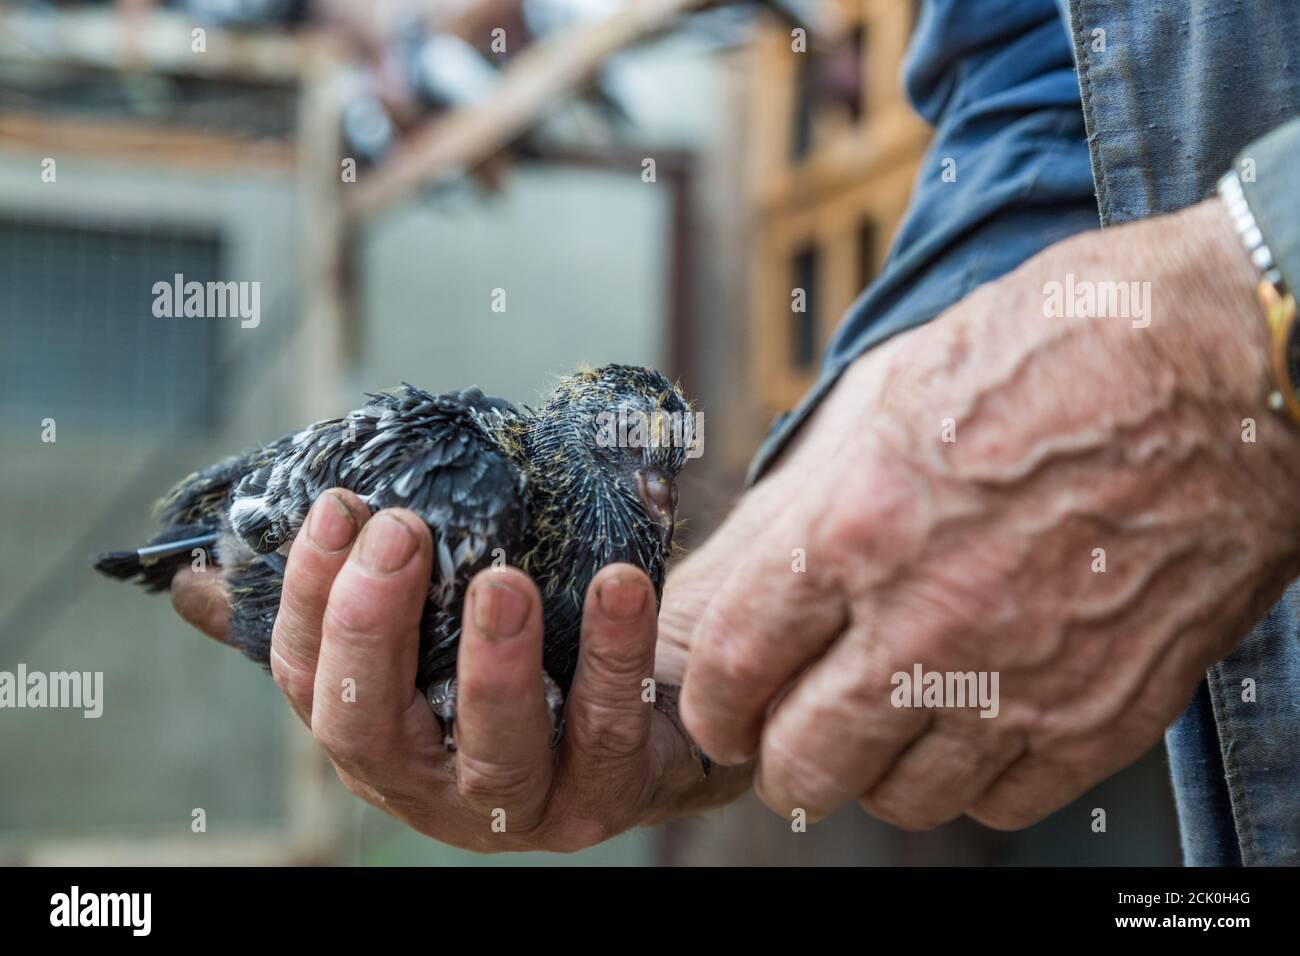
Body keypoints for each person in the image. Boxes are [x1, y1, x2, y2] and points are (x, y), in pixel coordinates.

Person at [171, 0, 1300, 863]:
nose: (661, 496)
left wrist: (1244, 319)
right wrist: (763, 590)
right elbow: (1058, 95)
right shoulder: (502, 492)